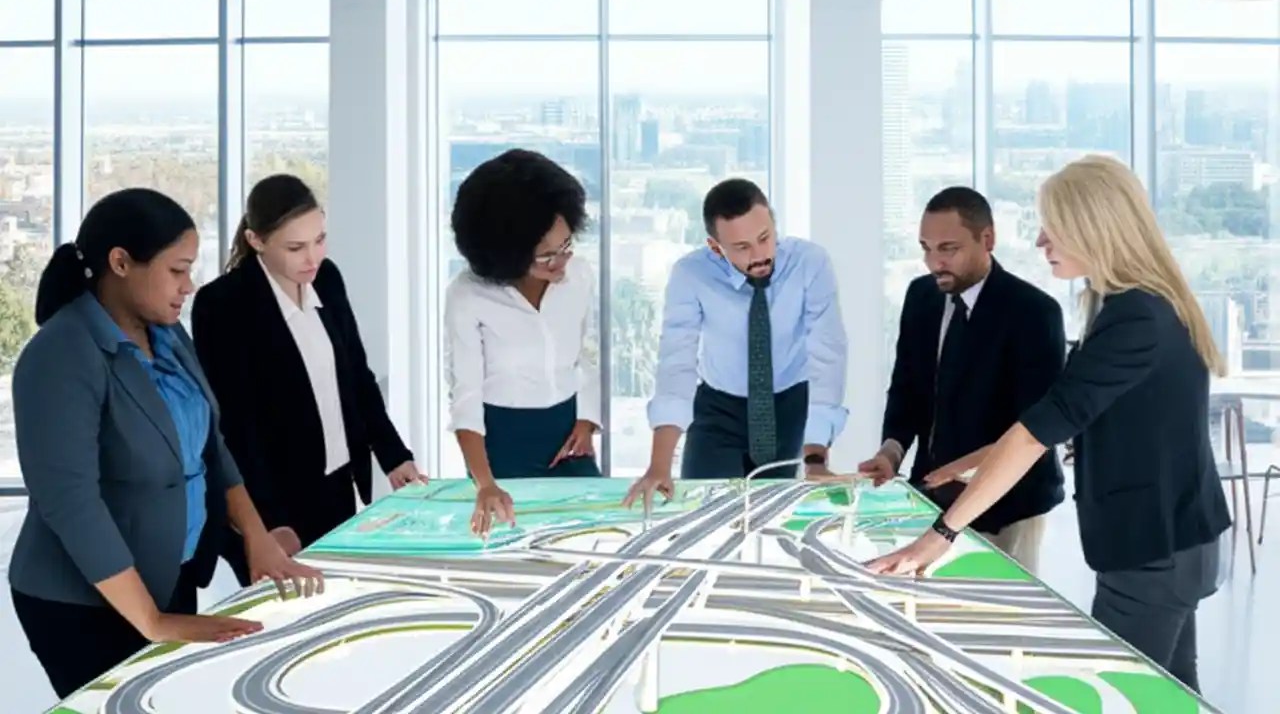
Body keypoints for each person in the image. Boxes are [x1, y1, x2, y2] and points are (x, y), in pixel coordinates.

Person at [866, 155, 1231, 694]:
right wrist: (967, 464)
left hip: (1151, 552)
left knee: (1120, 698)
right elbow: (1068, 414)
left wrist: (940, 536)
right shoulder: (1132, 304)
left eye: (1052, 228)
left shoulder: (1135, 319)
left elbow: (1037, 430)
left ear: (1093, 228)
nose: (1040, 242)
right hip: (1173, 542)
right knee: (1174, 696)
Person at [8, 188, 323, 700]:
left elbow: (210, 448)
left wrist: (256, 536)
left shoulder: (169, 334)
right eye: (177, 270)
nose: (190, 285)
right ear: (121, 263)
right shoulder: (60, 356)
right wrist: (153, 622)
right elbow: (71, 504)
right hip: (83, 604)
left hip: (168, 579)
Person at [192, 174, 426, 584]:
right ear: (256, 240)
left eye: (320, 240)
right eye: (296, 247)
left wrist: (393, 455)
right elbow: (236, 426)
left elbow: (356, 376)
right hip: (274, 497)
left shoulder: (328, 279)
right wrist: (268, 522)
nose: (312, 258)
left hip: (338, 482)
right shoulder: (223, 305)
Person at [860, 186, 1066, 575]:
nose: (933, 262)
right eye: (926, 248)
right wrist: (891, 452)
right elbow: (908, 386)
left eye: (948, 249)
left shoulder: (1035, 313)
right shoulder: (921, 296)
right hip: (931, 499)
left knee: (1003, 622)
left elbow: (1036, 431)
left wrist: (963, 473)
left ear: (987, 239)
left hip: (1009, 509)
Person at [624, 178, 848, 508]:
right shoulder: (691, 275)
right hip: (718, 408)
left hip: (789, 406)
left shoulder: (810, 263)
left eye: (764, 238)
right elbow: (677, 362)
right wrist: (659, 463)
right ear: (716, 248)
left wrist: (815, 457)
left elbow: (827, 354)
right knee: (703, 512)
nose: (760, 255)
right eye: (742, 247)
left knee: (773, 517)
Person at [444, 148, 602, 538]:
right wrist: (484, 483)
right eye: (545, 255)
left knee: (592, 535)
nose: (560, 262)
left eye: (566, 246)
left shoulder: (579, 276)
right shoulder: (468, 296)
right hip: (503, 444)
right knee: (517, 545)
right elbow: (465, 396)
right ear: (506, 255)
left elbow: (588, 355)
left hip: (569, 437)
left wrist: (588, 419)